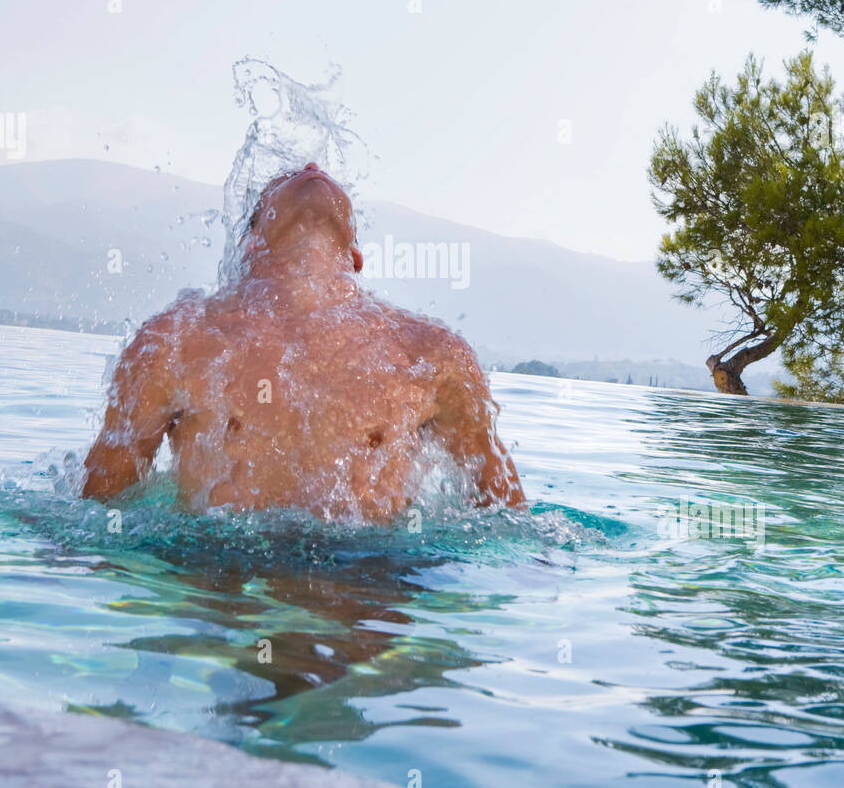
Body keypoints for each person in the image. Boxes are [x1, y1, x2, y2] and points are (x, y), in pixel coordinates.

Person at [82, 164, 526, 521]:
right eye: (283, 181)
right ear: (251, 244)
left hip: (371, 592)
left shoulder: (432, 356)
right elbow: (97, 513)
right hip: (220, 592)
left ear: (355, 258)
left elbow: (510, 524)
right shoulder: (175, 341)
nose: (312, 168)